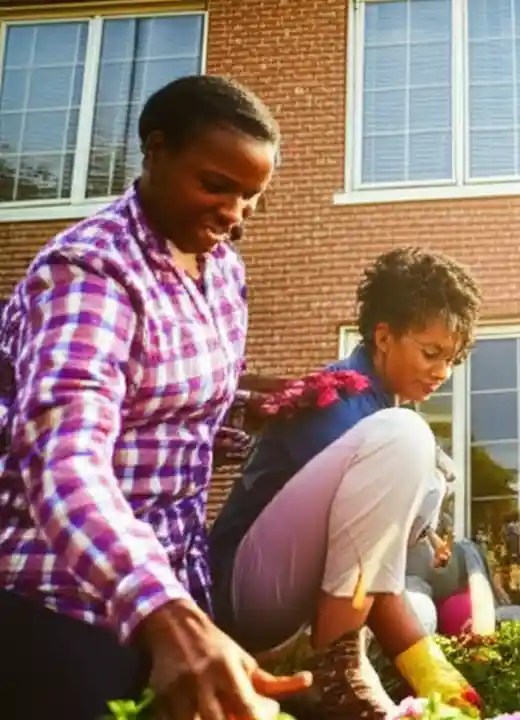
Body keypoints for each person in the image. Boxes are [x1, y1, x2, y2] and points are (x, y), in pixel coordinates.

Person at [0, 75, 302, 719]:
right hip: (63, 594)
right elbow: (63, 460)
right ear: (156, 152)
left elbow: (165, 414)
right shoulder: (89, 272)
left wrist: (241, 417)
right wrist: (162, 613)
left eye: (251, 196)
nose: (234, 213)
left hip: (176, 583)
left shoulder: (222, 270)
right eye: (216, 185)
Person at [209, 247, 484, 716]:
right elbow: (364, 555)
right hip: (246, 592)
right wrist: (428, 666)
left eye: (452, 360)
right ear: (384, 336)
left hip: (296, 600)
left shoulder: (380, 408)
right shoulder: (341, 399)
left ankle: (317, 678)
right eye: (431, 352)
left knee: (420, 609)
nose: (442, 371)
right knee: (407, 436)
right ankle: (338, 675)